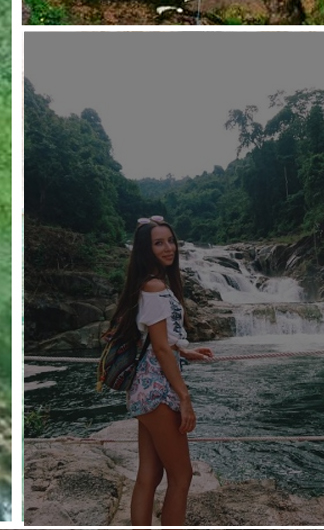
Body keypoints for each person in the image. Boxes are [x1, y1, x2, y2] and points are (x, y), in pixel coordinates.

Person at [102, 217, 214, 527]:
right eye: (158, 243)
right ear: (145, 250)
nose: (169, 248)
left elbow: (159, 340)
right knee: (182, 475)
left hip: (145, 387)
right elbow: (160, 349)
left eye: (170, 240)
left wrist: (185, 351)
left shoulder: (151, 285)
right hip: (157, 389)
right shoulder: (154, 286)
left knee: (149, 475)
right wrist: (185, 396)